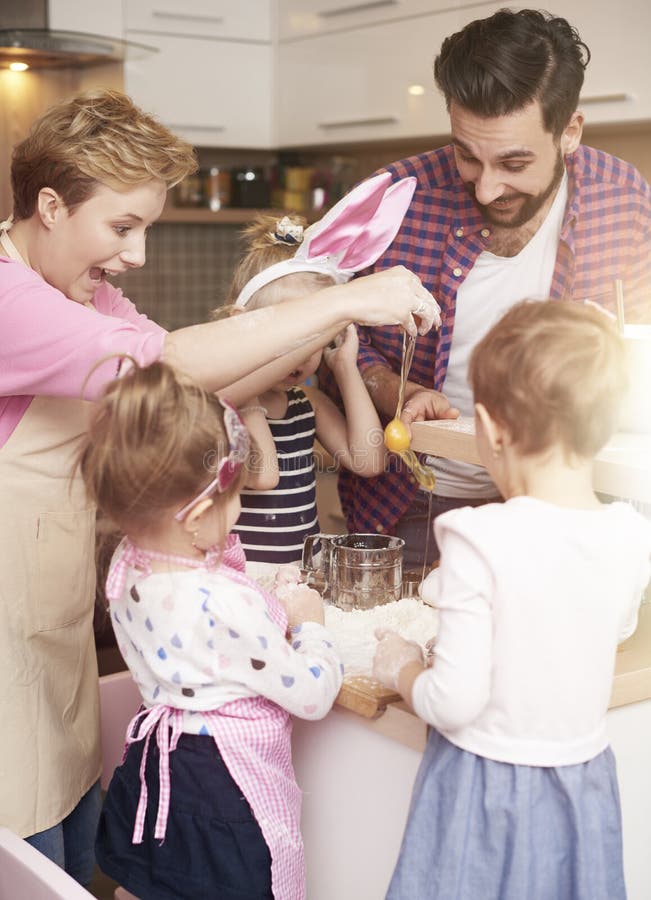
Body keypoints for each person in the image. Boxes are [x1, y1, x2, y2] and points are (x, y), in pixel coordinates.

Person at [0, 88, 439, 884]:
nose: (135, 256)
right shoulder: (8, 297)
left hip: (49, 618)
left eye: (145, 229)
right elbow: (166, 366)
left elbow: (185, 386)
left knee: (67, 839)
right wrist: (348, 297)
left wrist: (320, 338)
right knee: (28, 862)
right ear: (51, 205)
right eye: (122, 227)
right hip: (4, 630)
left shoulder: (83, 291)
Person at [318, 7, 651, 568]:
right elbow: (333, 330)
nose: (487, 186)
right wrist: (390, 389)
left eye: (514, 161)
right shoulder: (396, 197)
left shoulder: (623, 199)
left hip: (563, 507)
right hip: (414, 505)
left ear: (569, 131)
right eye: (467, 155)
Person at [371, 300, 651, 900]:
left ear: (490, 429)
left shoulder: (480, 538)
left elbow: (454, 700)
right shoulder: (630, 535)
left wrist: (404, 665)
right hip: (584, 787)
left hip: (488, 791)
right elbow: (605, 625)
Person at [77, 358, 341, 900]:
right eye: (236, 497)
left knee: (156, 884)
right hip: (225, 790)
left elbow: (211, 587)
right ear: (196, 519)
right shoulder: (223, 605)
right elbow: (311, 694)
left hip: (158, 770)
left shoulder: (130, 564)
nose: (242, 508)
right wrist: (310, 625)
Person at [224, 173, 420, 576]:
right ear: (237, 326)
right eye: (287, 338)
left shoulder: (306, 404)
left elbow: (368, 462)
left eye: (314, 341)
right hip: (241, 582)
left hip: (301, 580)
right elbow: (263, 476)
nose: (300, 358)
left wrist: (345, 365)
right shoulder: (222, 404)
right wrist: (247, 388)